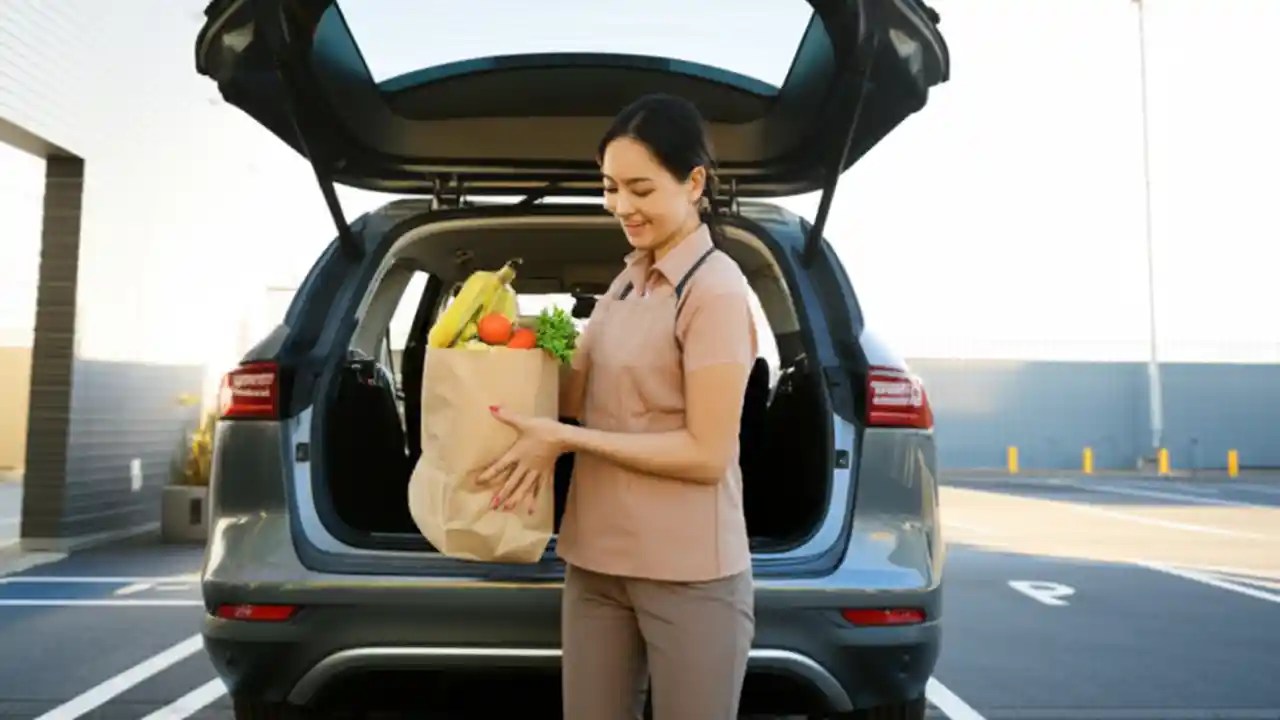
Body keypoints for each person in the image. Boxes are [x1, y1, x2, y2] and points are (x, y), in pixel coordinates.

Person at [477, 93, 758, 720]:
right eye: (609, 188)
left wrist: (567, 439)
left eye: (640, 188)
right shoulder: (627, 280)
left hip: (689, 575)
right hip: (596, 565)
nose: (621, 207)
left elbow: (707, 454)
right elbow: (578, 392)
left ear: (693, 182)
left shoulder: (714, 290)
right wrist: (502, 342)